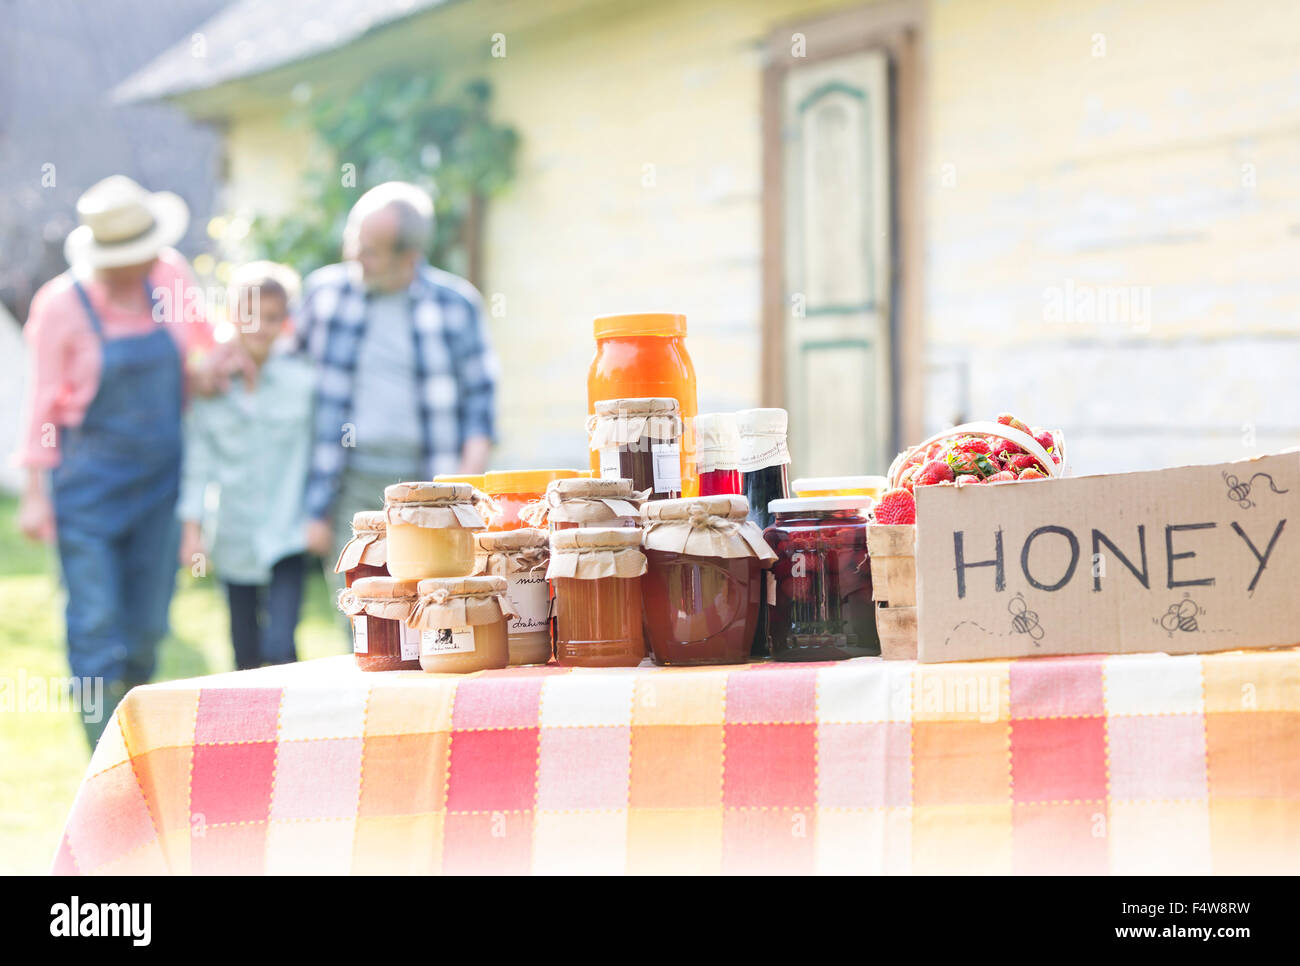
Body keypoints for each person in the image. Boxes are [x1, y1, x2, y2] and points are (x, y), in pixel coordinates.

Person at [14, 175, 214, 746]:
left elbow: (201, 345)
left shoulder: (170, 276)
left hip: (161, 481)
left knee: (148, 627)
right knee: (97, 622)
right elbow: (43, 404)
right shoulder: (61, 304)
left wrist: (217, 366)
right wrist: (34, 491)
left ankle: (132, 739)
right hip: (87, 483)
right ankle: (103, 760)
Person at [294, 182, 498, 589]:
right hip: (348, 483)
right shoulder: (324, 295)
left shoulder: (456, 305)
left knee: (429, 605)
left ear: (410, 256)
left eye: (370, 249)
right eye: (354, 239)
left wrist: (462, 489)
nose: (355, 255)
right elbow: (282, 370)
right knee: (361, 617)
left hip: (427, 486)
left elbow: (481, 406)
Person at [177, 262, 315, 670]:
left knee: (281, 647)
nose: (260, 326)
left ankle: (296, 728)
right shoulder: (211, 388)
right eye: (250, 315)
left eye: (272, 317)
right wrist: (191, 531)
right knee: (245, 652)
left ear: (284, 322)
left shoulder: (302, 383)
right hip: (234, 533)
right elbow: (197, 464)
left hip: (288, 532)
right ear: (233, 315)